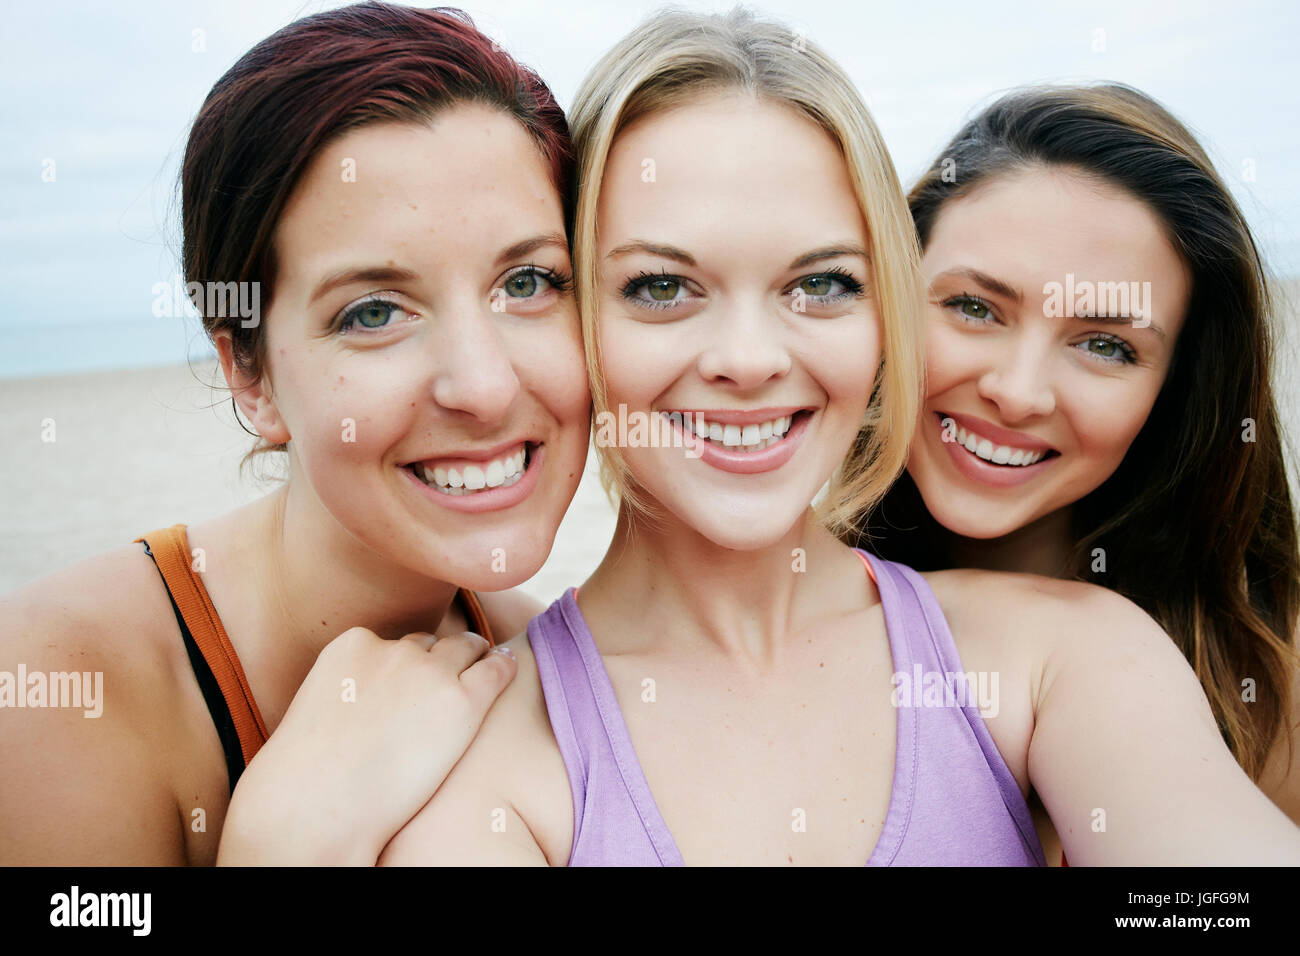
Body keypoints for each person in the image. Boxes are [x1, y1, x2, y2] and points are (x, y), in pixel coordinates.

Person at [379, 8, 1300, 866]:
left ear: (885, 317)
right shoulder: (491, 751)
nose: (748, 360)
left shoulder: (1071, 656)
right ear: (573, 317)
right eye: (661, 287)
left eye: (821, 285)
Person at [0, 2, 590, 866]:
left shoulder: (543, 662)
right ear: (250, 371)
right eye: (375, 311)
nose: (484, 385)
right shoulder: (59, 691)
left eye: (529, 280)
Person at [852, 84, 1300, 859]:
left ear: (1174, 392)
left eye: (1105, 345)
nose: (1018, 393)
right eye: (974, 308)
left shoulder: (1269, 668)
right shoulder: (785, 610)